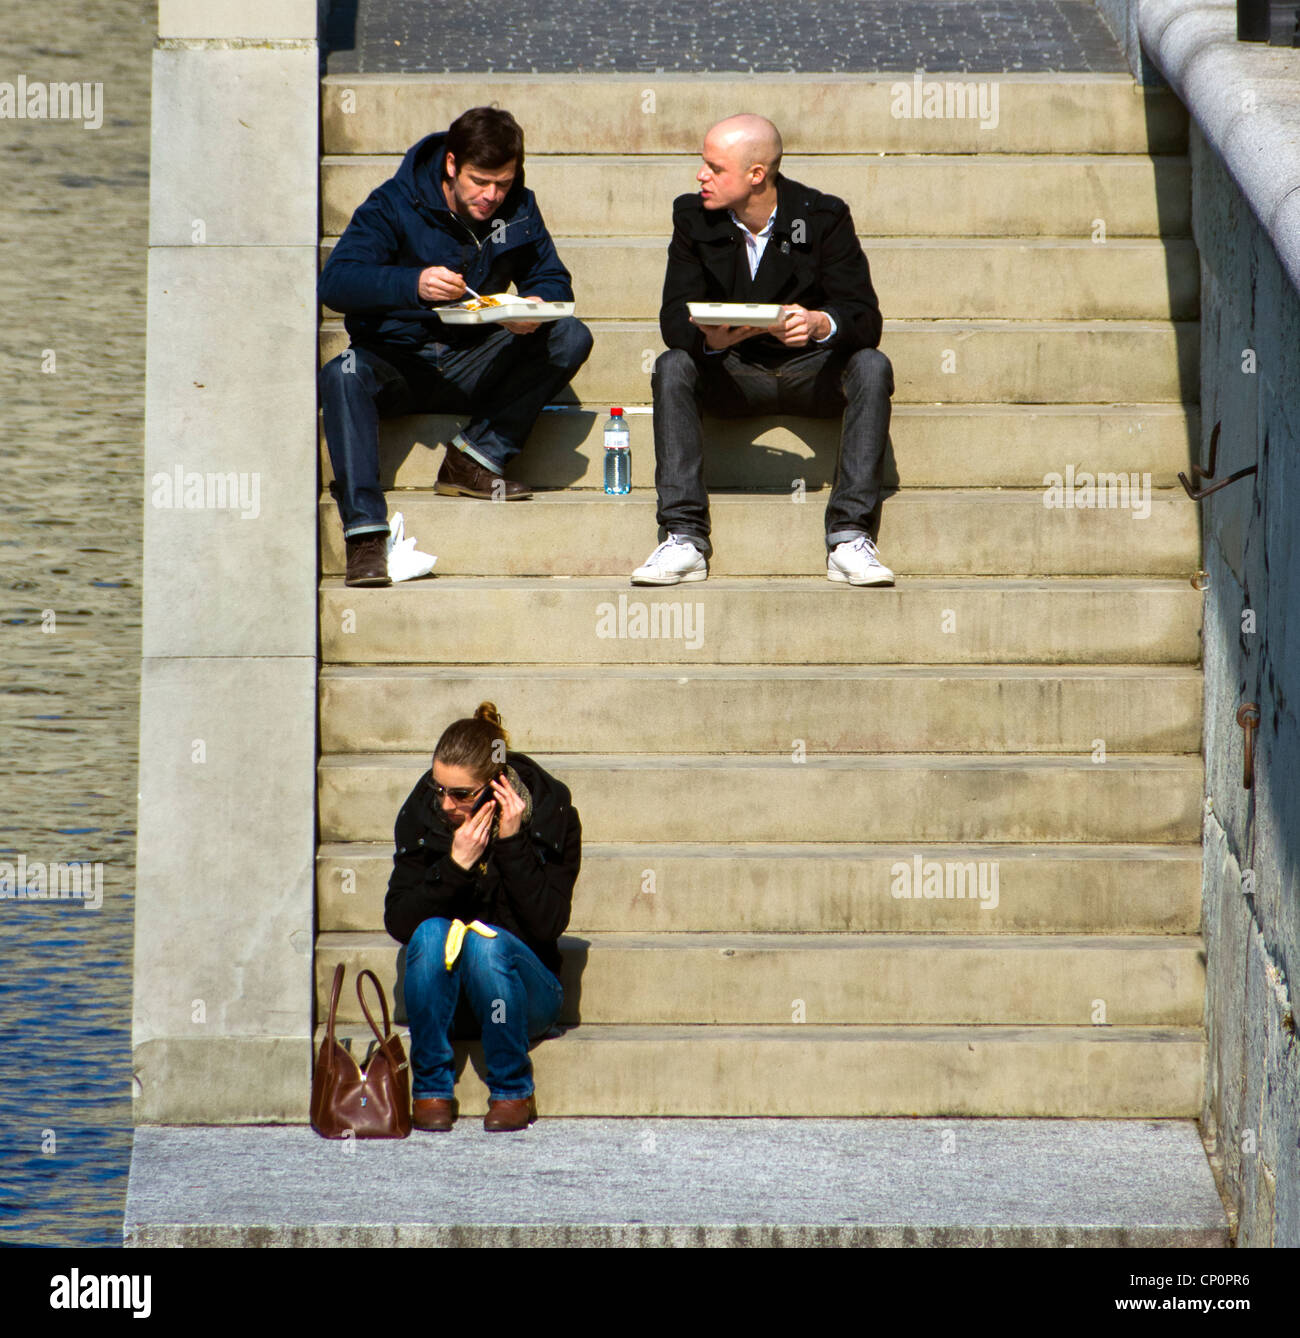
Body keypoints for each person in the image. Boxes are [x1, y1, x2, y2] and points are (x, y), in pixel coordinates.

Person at [319, 106, 593, 587]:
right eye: (479, 181)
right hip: (395, 362)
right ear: (451, 165)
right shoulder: (392, 203)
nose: (491, 196)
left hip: (475, 360)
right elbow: (337, 283)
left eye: (502, 183)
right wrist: (414, 284)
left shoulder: (519, 206)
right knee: (340, 373)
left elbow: (552, 278)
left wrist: (532, 306)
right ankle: (365, 536)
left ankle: (474, 457)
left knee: (569, 333)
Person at [633, 112, 895, 587]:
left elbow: (865, 318)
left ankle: (849, 535)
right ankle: (684, 536)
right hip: (732, 372)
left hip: (812, 374)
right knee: (672, 365)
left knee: (872, 366)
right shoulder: (694, 217)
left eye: (714, 168)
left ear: (757, 175)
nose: (701, 176)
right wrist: (708, 339)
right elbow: (673, 317)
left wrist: (820, 324)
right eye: (703, 165)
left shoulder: (822, 216)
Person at [384, 703, 580, 1132]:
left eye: (460, 794)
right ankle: (431, 1089)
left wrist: (512, 847)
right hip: (448, 999)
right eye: (439, 788)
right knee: (432, 933)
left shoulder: (550, 812)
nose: (446, 803)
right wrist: (454, 867)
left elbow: (546, 925)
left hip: (525, 996)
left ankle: (512, 1089)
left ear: (496, 786)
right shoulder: (423, 814)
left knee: (483, 941)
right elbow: (400, 923)